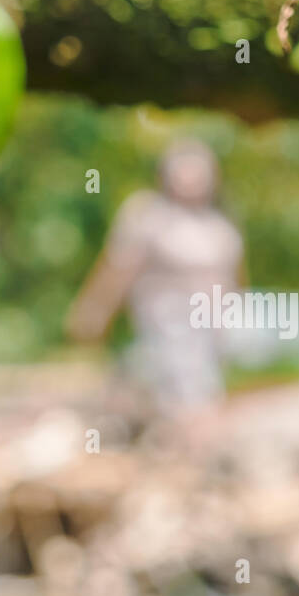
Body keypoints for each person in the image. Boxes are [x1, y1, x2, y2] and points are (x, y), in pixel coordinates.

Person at [67, 139, 245, 424]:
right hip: (166, 326)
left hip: (211, 332)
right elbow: (118, 267)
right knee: (181, 399)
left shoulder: (220, 225)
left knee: (200, 396)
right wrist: (94, 310)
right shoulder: (147, 215)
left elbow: (234, 280)